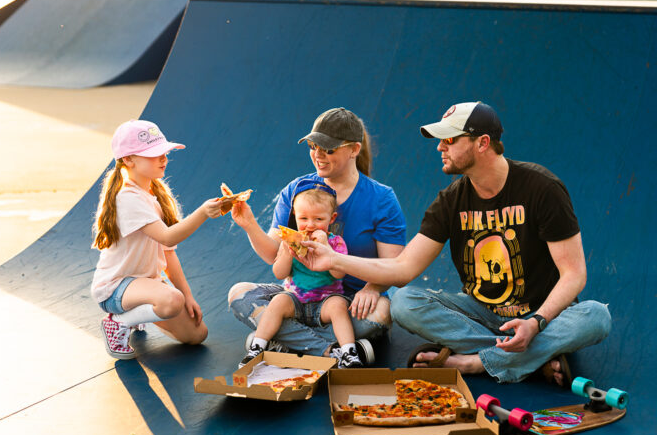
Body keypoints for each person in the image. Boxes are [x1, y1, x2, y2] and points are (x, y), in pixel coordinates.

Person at [301, 101, 611, 385]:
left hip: (540, 313)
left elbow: (574, 274)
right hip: (479, 312)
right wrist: (334, 260)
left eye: (449, 140)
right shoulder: (451, 200)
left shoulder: (542, 189)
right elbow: (403, 268)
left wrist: (537, 322)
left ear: (482, 143)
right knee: (405, 303)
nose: (439, 148)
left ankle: (475, 362)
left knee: (596, 316)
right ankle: (533, 357)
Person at [228, 107, 407, 358]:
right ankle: (334, 350)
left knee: (383, 313)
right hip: (299, 298)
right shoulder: (297, 191)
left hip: (350, 301)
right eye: (313, 146)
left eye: (329, 149)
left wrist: (372, 288)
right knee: (239, 294)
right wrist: (249, 224)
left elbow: (395, 265)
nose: (318, 155)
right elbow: (273, 256)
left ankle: (281, 340)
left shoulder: (382, 198)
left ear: (354, 149)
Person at [91, 119, 224, 359]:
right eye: (153, 154)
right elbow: (167, 235)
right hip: (115, 288)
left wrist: (189, 295)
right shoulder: (127, 198)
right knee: (172, 300)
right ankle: (118, 323)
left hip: (147, 283)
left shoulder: (155, 196)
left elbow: (168, 250)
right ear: (129, 159)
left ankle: (140, 313)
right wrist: (203, 213)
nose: (163, 157)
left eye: (164, 152)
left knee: (197, 335)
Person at [240, 182, 364, 368]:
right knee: (278, 301)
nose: (310, 225)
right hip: (296, 301)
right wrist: (288, 252)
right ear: (294, 217)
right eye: (303, 218)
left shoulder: (336, 242)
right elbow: (279, 272)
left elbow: (338, 274)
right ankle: (257, 347)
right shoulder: (289, 240)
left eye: (318, 219)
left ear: (332, 218)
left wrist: (326, 248)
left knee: (339, 305)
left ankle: (349, 352)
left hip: (325, 303)